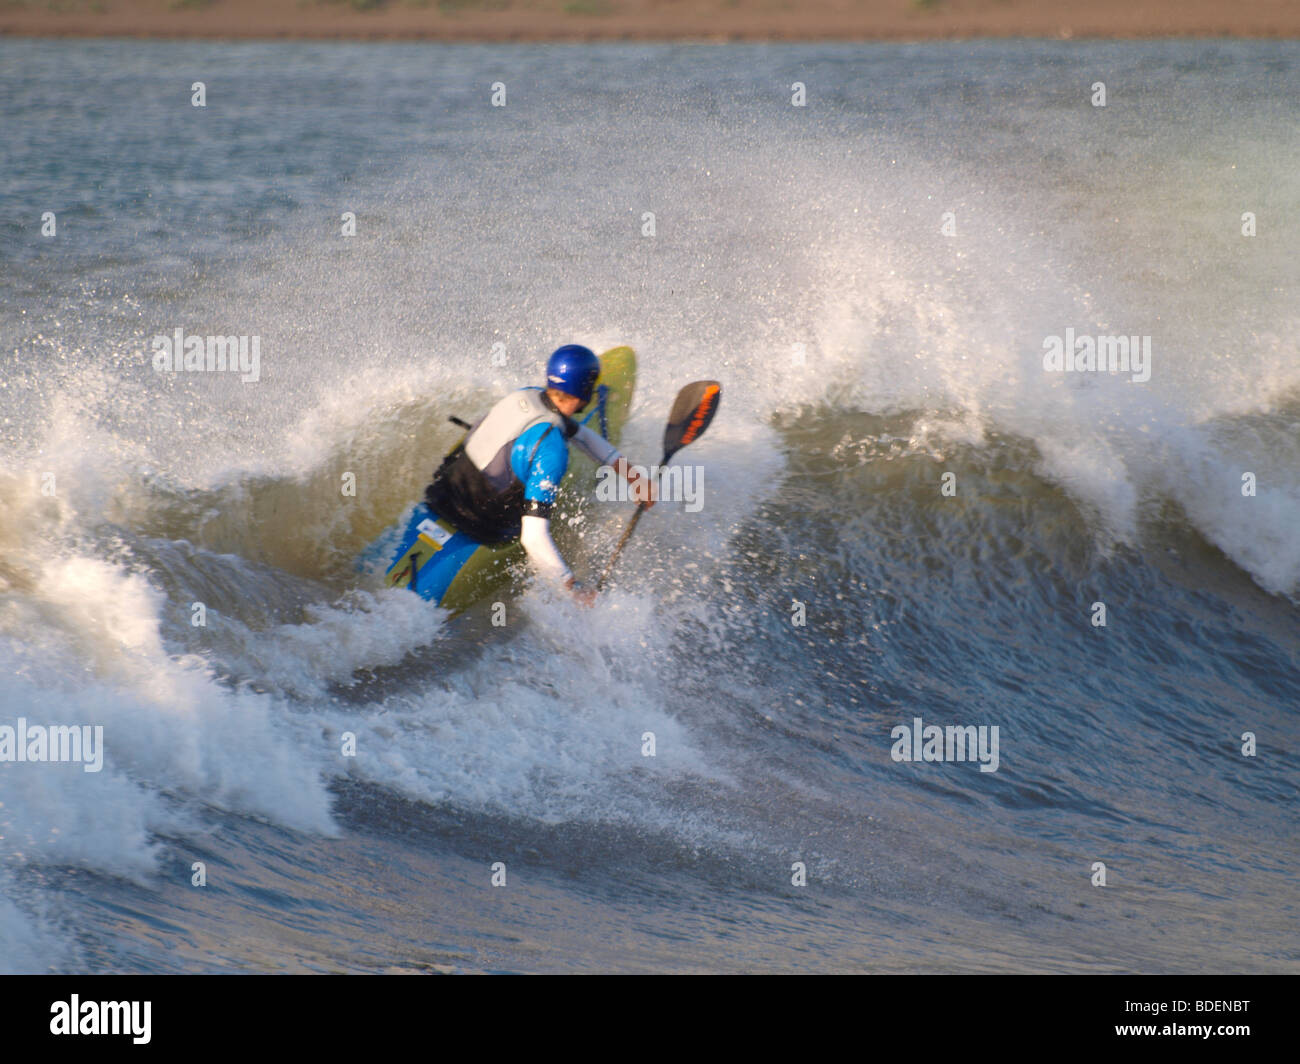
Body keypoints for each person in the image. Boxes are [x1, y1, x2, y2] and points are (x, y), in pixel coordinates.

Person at [424, 344, 654, 605]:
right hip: (483, 527)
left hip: (442, 496)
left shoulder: (526, 396)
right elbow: (532, 538)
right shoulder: (552, 450)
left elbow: (581, 435)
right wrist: (572, 589)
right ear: (586, 389)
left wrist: (634, 477)